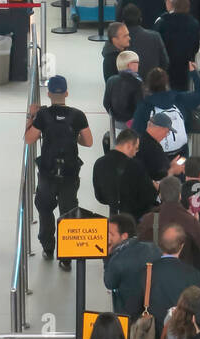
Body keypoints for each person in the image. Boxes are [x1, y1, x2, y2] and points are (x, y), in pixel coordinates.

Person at [25, 75, 93, 268]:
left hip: (48, 172)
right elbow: (88, 142)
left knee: (45, 209)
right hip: (70, 173)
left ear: (48, 94)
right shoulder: (78, 115)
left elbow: (29, 139)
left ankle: (48, 247)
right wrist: (74, 137)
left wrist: (31, 115)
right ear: (66, 93)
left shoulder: (43, 116)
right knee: (68, 212)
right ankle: (66, 257)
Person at [137, 175, 200, 275]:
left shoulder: (148, 220)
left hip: (154, 278)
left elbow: (139, 249)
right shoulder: (191, 221)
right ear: (180, 195)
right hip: (183, 277)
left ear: (160, 195)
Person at [130, 64, 200, 153]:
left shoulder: (144, 107)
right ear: (166, 83)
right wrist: (193, 72)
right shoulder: (179, 98)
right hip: (180, 154)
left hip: (156, 156)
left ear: (148, 86)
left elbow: (136, 134)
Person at [103, 213, 163, 315]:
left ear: (124, 236)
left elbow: (109, 283)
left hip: (129, 318)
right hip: (154, 314)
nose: (107, 237)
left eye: (111, 234)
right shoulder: (153, 248)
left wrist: (106, 257)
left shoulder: (117, 261)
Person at [93, 128, 158, 221]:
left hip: (114, 217)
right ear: (128, 146)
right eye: (136, 149)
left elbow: (100, 197)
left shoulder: (99, 163)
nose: (135, 154)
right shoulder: (135, 166)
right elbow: (148, 198)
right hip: (134, 219)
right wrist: (156, 189)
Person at [155, 0, 200, 89]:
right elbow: (196, 45)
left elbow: (157, 41)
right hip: (185, 62)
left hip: (168, 61)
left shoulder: (163, 21)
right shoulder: (194, 23)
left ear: (174, 6)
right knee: (183, 87)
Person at [138, 111, 187, 184]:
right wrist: (173, 170)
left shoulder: (141, 139)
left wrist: (170, 166)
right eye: (167, 132)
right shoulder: (152, 148)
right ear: (160, 128)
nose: (166, 135)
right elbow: (155, 181)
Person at [120, 5, 170, 76]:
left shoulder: (118, 39)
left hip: (127, 83)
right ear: (140, 20)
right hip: (152, 82)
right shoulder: (155, 36)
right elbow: (165, 62)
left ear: (123, 21)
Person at [103, 49, 142, 126]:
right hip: (133, 123)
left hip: (116, 121)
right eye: (136, 62)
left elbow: (106, 103)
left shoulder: (111, 80)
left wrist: (114, 116)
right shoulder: (137, 82)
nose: (139, 65)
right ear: (129, 65)